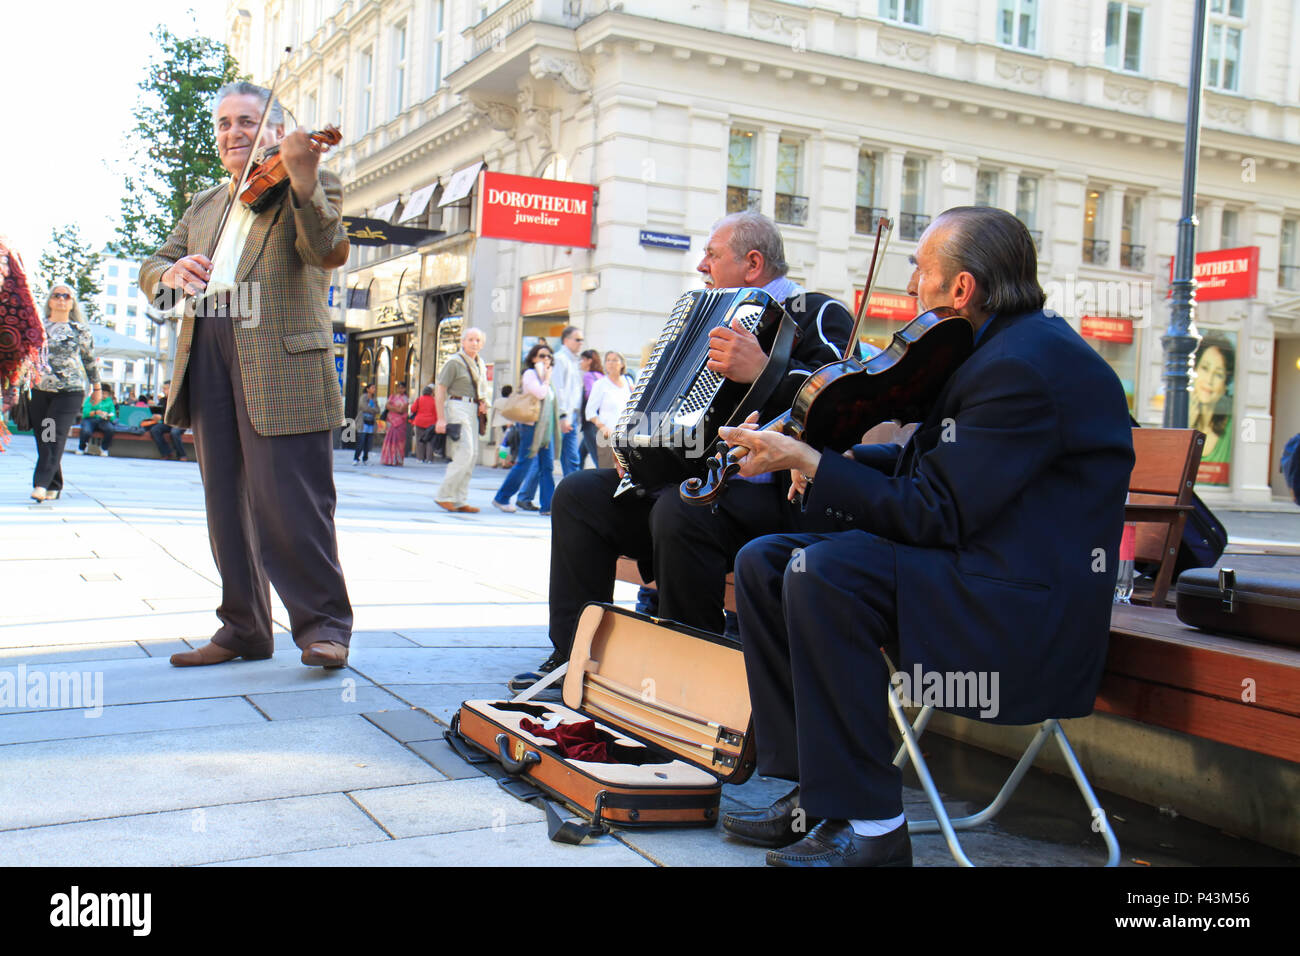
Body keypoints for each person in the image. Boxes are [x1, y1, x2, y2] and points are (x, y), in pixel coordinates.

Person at [715, 206, 1135, 866]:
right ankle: (818, 800)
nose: (913, 286)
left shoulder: (1024, 368)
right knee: (768, 562)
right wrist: (848, 462)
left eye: (920, 272)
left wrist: (815, 464)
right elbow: (946, 470)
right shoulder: (1000, 349)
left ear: (961, 287)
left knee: (826, 575)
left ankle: (876, 830)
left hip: (1021, 612)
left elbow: (934, 512)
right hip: (978, 569)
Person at [511, 210, 854, 692]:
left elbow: (838, 403)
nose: (700, 266)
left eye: (712, 255)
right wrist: (636, 443)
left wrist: (764, 371)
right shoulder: (703, 312)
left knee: (680, 507)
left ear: (753, 264)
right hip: (694, 489)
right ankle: (573, 659)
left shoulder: (816, 311)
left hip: (768, 497)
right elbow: (670, 405)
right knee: (579, 493)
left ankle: (685, 683)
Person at [139, 80, 354, 669]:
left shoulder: (306, 181)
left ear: (277, 129)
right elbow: (154, 262)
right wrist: (171, 272)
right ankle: (245, 627)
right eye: (226, 123)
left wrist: (304, 175)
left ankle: (323, 627)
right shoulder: (206, 203)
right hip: (208, 343)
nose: (235, 132)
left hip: (280, 357)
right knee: (225, 500)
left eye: (248, 121)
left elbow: (328, 249)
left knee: (292, 501)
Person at [29, 282, 97, 501]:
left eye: (66, 296)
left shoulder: (80, 330)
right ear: (49, 301)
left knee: (53, 435)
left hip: (70, 391)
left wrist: (97, 387)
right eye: (57, 295)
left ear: (72, 303)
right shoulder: (37, 328)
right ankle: (54, 484)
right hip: (40, 390)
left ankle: (40, 484)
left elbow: (89, 360)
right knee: (44, 437)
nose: (61, 299)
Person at [493, 342, 558, 514]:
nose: (545, 359)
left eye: (548, 356)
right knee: (524, 463)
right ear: (533, 358)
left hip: (545, 428)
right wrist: (546, 380)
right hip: (531, 426)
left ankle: (548, 506)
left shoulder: (546, 377)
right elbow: (540, 393)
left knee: (547, 467)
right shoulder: (530, 374)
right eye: (541, 356)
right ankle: (502, 497)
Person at [434, 327, 487, 512]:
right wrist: (441, 418)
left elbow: (481, 388)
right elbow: (440, 390)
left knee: (472, 455)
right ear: (463, 342)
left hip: (473, 409)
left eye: (478, 340)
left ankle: (459, 499)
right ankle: (444, 495)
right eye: (471, 339)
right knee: (465, 451)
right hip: (457, 406)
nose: (474, 343)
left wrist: (483, 404)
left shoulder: (480, 363)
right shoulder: (454, 362)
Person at [1188, 335, 1234, 468]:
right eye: (1205, 368)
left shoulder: (1231, 428)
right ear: (1195, 370)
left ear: (1225, 383)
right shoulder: (1179, 416)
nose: (1209, 380)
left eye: (1218, 374)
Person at [585, 350, 633, 470]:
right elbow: (590, 411)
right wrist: (602, 427)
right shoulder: (600, 384)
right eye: (608, 360)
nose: (611, 363)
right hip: (607, 436)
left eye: (614, 360)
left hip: (625, 435)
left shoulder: (628, 381)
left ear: (622, 364)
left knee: (627, 471)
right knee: (608, 471)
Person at [578, 348, 604, 468]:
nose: (580, 362)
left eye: (582, 359)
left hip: (590, 422)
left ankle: (605, 484)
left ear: (589, 361)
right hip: (600, 420)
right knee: (580, 454)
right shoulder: (601, 375)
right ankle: (578, 480)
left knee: (597, 458)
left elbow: (590, 394)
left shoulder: (588, 376)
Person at [77, 383, 117, 456]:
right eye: (102, 393)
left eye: (106, 394)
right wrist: (96, 412)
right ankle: (81, 448)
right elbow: (85, 413)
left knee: (110, 429)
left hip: (103, 420)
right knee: (86, 431)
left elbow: (113, 415)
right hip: (89, 419)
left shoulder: (109, 401)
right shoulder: (90, 399)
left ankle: (104, 448)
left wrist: (108, 416)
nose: (104, 396)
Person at [380, 381, 410, 466]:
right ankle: (388, 459)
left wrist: (392, 408)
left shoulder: (406, 398)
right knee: (389, 440)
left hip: (400, 422)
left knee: (399, 442)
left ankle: (397, 460)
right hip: (391, 421)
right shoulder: (392, 396)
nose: (400, 389)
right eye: (399, 387)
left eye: (402, 388)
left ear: (405, 389)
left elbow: (402, 410)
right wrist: (396, 409)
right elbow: (387, 406)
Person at [409, 384, 439, 462]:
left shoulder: (419, 399)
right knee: (430, 441)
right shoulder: (434, 401)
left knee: (420, 440)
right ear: (431, 393)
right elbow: (436, 413)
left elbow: (413, 409)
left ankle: (420, 458)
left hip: (419, 422)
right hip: (431, 422)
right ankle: (429, 459)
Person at [353, 383, 378, 463]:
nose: (374, 389)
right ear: (368, 389)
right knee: (361, 441)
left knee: (368, 442)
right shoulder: (363, 397)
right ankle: (356, 458)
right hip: (362, 422)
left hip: (371, 423)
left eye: (374, 388)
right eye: (372, 388)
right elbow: (363, 407)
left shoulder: (374, 399)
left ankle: (365, 458)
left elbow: (378, 410)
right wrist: (372, 410)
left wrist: (371, 410)